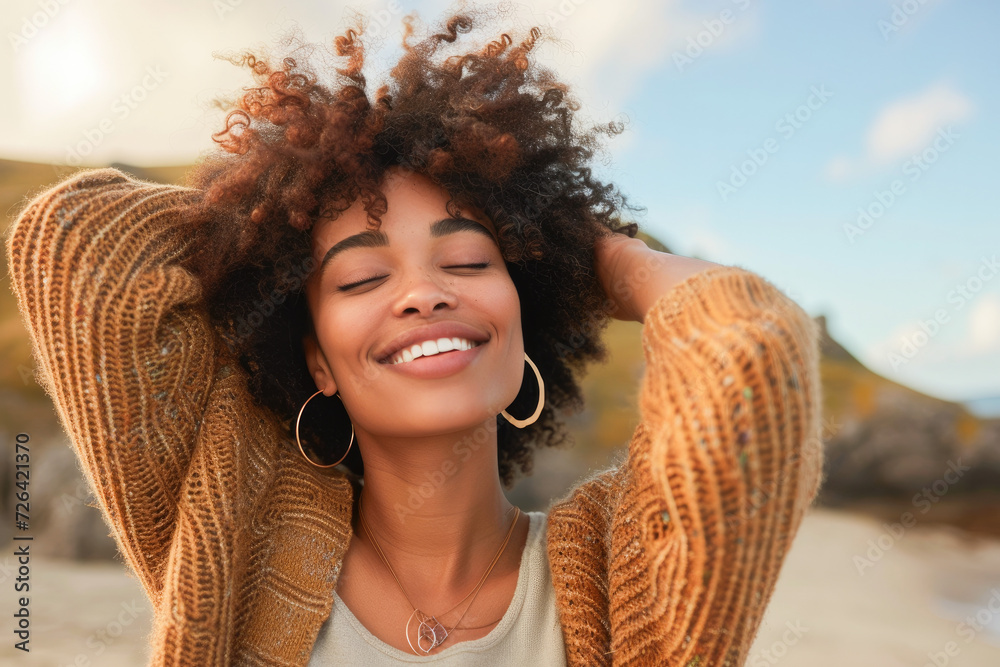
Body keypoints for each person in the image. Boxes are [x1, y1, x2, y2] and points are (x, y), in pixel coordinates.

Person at [5, 7, 825, 666]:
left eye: (469, 259)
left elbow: (751, 362)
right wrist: (249, 240)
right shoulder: (237, 547)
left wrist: (600, 256)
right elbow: (69, 246)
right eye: (362, 279)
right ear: (315, 356)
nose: (425, 293)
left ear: (524, 310)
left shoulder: (622, 574)